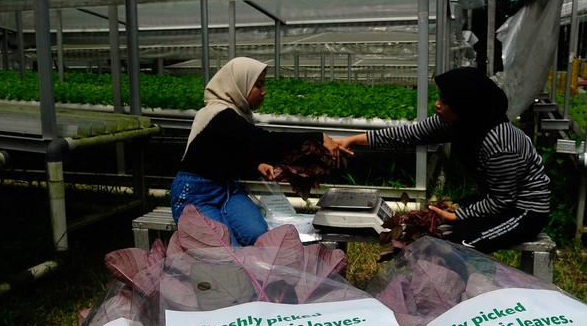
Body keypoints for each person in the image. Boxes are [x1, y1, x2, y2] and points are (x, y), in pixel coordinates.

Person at [332, 66, 550, 252]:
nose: (437, 105)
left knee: (463, 245)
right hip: (496, 202)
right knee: (434, 227)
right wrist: (352, 139)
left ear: (466, 108)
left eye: (445, 101)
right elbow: (408, 135)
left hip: (523, 211)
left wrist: (459, 216)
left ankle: (476, 294)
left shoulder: (501, 143)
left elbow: (503, 200)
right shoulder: (457, 123)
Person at [172, 57, 342, 245]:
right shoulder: (218, 115)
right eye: (258, 85)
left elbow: (226, 152)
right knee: (224, 248)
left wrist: (256, 165)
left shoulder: (234, 114)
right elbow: (264, 140)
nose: (264, 92)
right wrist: (318, 137)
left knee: (256, 234)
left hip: (227, 189)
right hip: (197, 194)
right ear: (239, 85)